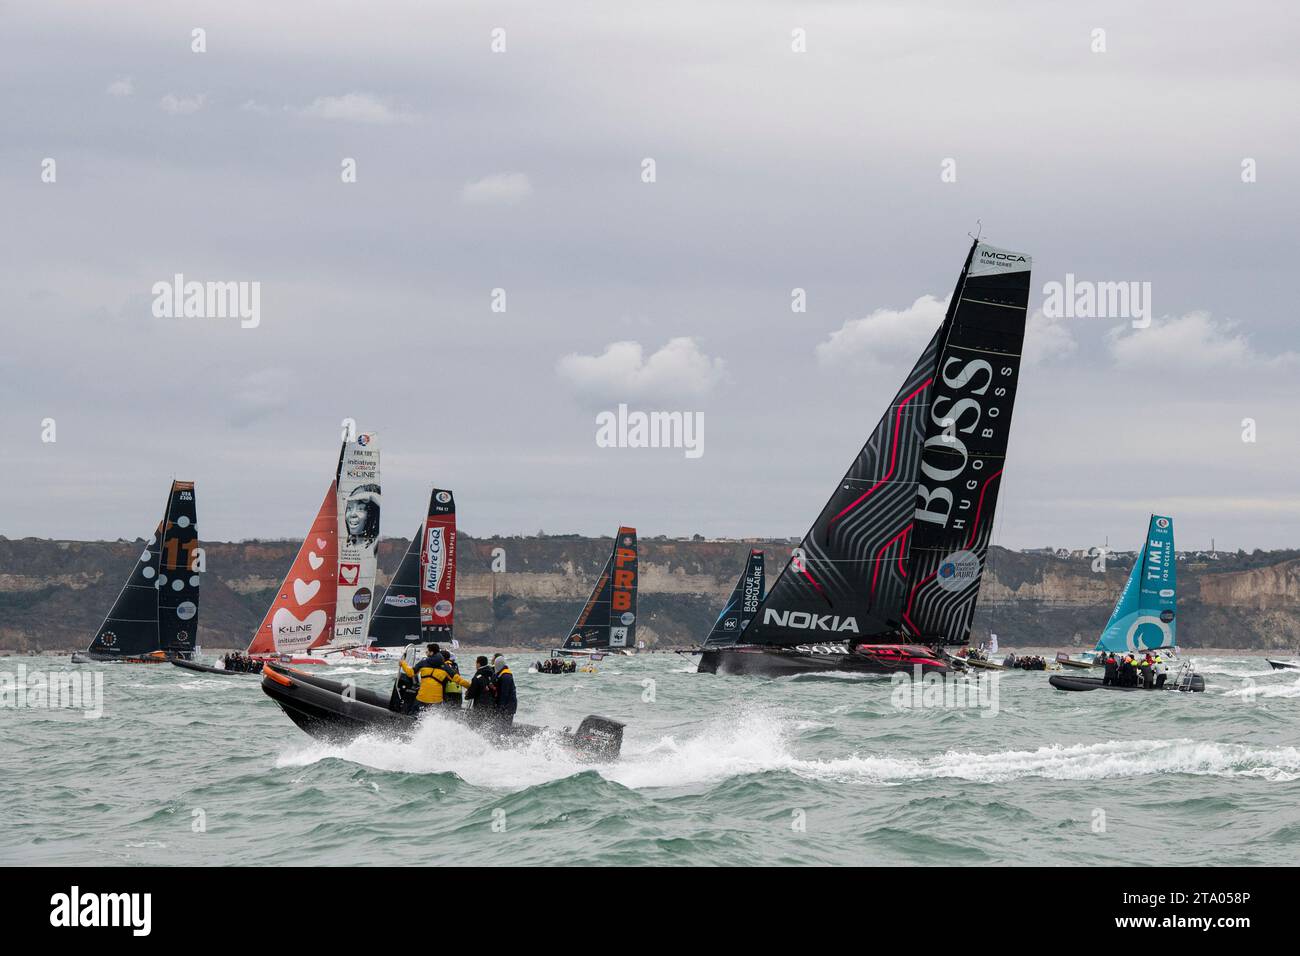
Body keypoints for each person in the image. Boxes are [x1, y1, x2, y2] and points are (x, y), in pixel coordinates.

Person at [406, 643, 470, 711]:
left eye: (427, 651)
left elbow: (410, 673)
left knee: (414, 710)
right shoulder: (448, 666)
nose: (425, 652)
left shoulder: (424, 663)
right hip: (443, 697)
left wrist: (403, 663)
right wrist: (470, 686)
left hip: (425, 697)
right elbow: (458, 679)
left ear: (431, 652)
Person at [465, 655, 496, 723]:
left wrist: (467, 695)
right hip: (491, 702)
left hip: (480, 703)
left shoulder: (477, 676)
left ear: (478, 664)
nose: (475, 665)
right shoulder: (492, 673)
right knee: (488, 722)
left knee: (479, 722)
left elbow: (472, 691)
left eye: (476, 663)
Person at [492, 656, 517, 728]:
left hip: (508, 707)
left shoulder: (506, 676)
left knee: (505, 727)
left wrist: (500, 709)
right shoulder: (502, 674)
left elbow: (504, 694)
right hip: (508, 706)